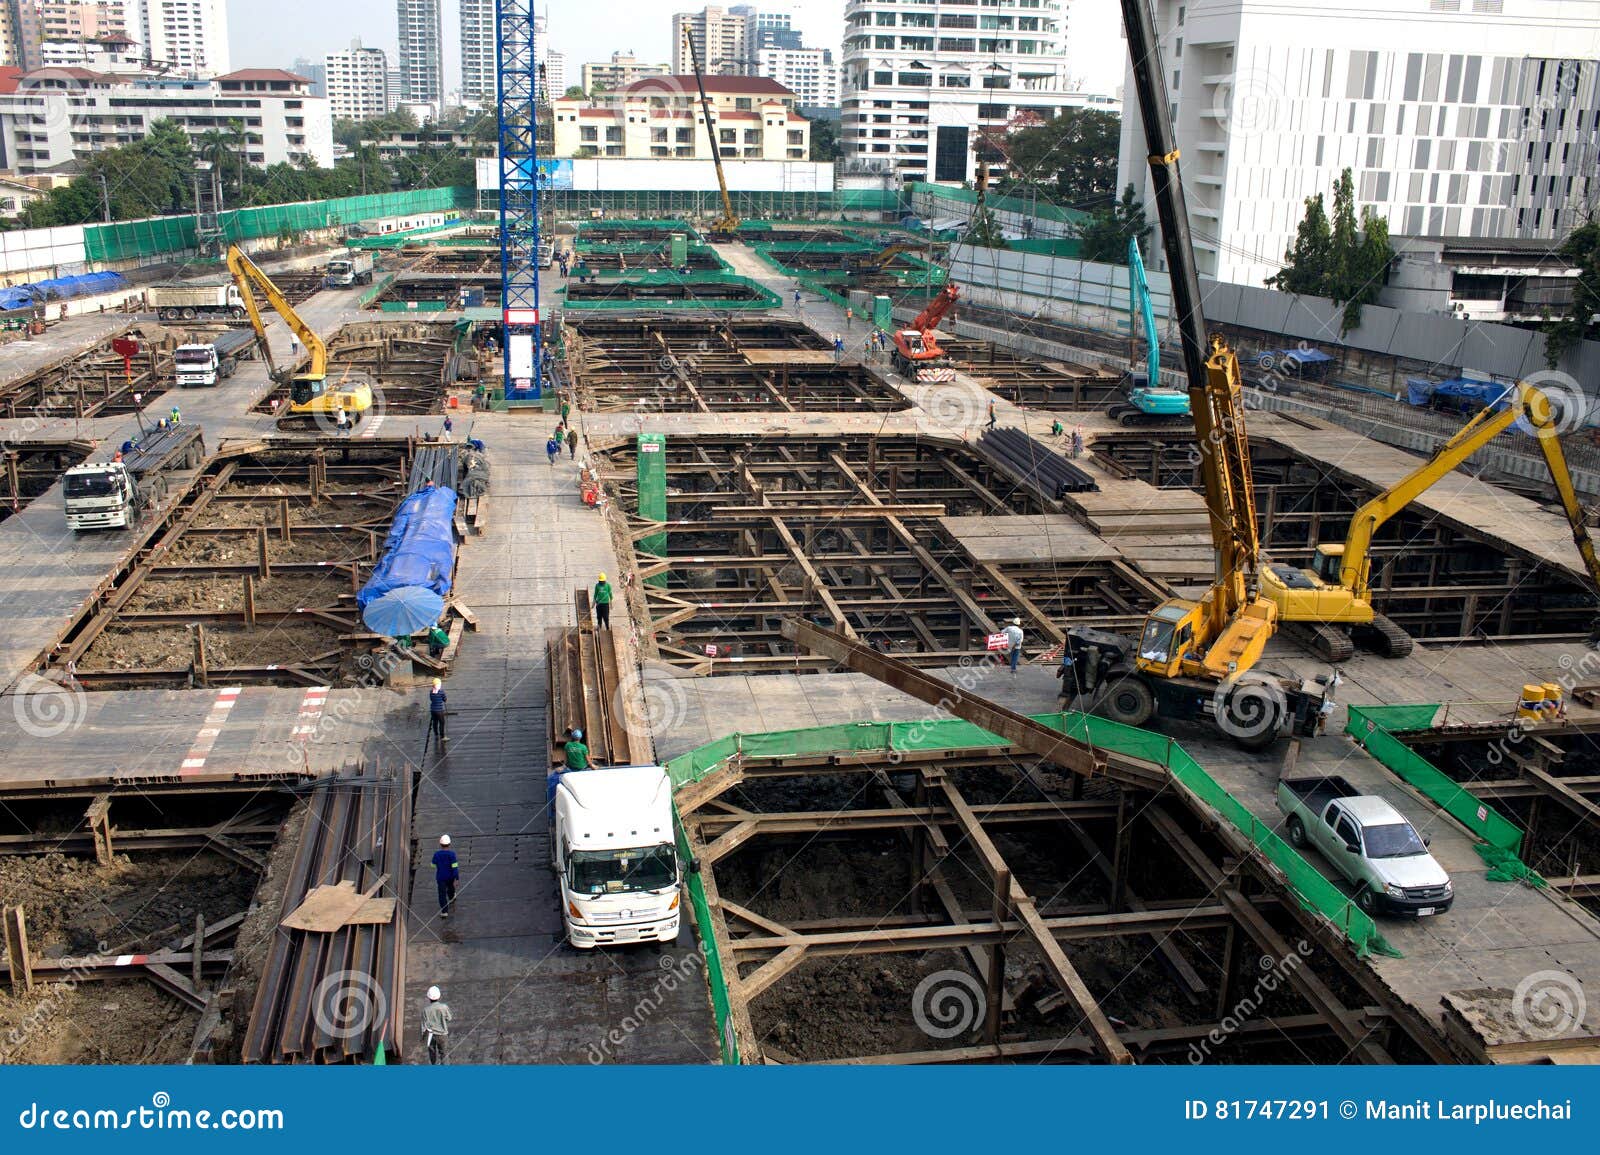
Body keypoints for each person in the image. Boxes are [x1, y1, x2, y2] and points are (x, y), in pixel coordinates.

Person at [422, 987, 452, 1064]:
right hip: (442, 1034)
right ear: (439, 996)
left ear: (429, 998)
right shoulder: (444, 1007)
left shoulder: (426, 1010)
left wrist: (423, 1038)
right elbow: (449, 1018)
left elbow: (424, 1025)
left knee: (432, 1054)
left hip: (431, 1035)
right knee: (444, 1054)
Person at [432, 835, 459, 918]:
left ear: (440, 844)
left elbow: (433, 865)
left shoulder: (436, 854)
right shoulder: (452, 855)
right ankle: (452, 897)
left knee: (442, 894)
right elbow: (455, 867)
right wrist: (456, 879)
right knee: (451, 888)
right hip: (450, 877)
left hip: (441, 878)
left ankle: (444, 912)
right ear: (449, 844)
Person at [428, 677, 447, 745]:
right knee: (442, 722)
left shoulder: (431, 692)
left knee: (435, 722)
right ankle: (442, 736)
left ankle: (436, 734)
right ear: (438, 685)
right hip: (439, 710)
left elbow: (431, 699)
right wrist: (444, 698)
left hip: (432, 710)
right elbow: (444, 699)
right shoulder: (441, 692)